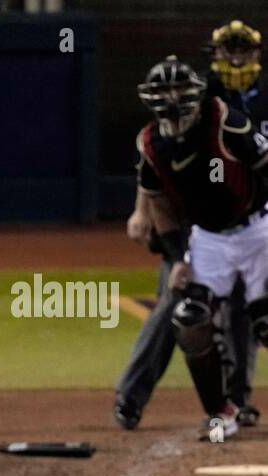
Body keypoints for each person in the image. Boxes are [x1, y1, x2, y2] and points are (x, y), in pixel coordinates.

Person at [115, 20, 268, 430]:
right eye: (227, 51)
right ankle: (131, 396)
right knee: (178, 306)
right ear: (212, 57)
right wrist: (143, 211)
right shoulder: (202, 97)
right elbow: (152, 173)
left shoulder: (234, 110)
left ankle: (236, 402)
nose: (236, 59)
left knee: (247, 314)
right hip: (198, 226)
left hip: (253, 217)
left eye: (244, 50)